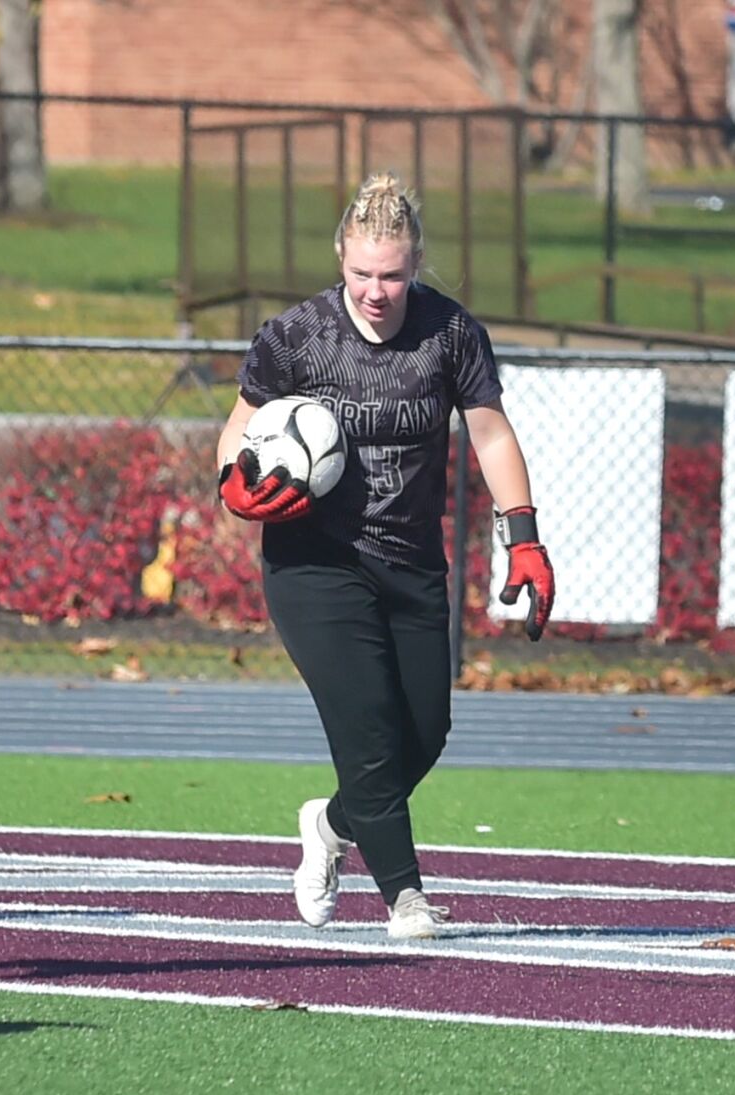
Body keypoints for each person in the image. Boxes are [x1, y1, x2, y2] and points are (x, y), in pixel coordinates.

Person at [215, 172, 554, 940]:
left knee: (423, 731)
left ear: (417, 263)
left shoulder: (450, 332)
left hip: (411, 560)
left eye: (393, 275)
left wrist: (524, 536)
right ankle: (406, 896)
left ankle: (332, 825)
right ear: (340, 256)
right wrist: (233, 487)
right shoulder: (295, 336)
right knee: (367, 729)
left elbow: (490, 432)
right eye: (362, 273)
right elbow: (237, 433)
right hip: (314, 563)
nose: (376, 290)